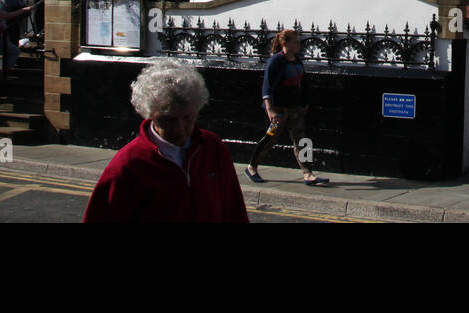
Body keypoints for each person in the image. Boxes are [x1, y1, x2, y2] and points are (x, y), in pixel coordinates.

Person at [84, 58, 249, 222]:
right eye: (168, 120)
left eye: (187, 117)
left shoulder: (212, 148)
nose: (179, 128)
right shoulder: (129, 163)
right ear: (149, 113)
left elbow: (234, 210)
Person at [245, 29, 330, 186]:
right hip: (278, 110)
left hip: (295, 108)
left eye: (299, 41)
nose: (299, 45)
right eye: (295, 42)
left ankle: (308, 173)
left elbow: (303, 83)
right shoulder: (276, 61)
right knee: (270, 137)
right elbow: (267, 87)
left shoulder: (297, 60)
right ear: (285, 43)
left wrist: (304, 103)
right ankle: (252, 167)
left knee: (302, 140)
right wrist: (269, 109)